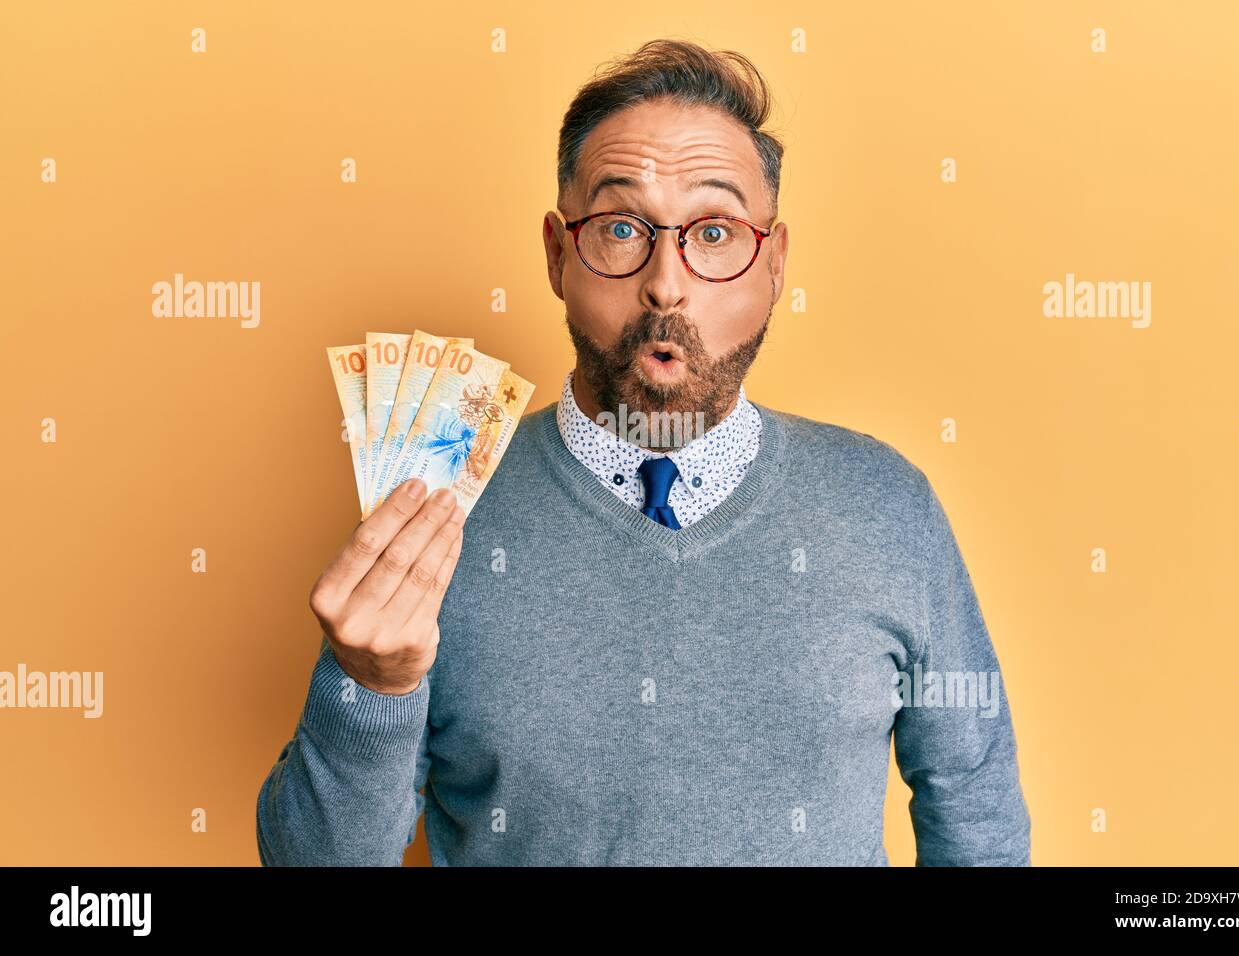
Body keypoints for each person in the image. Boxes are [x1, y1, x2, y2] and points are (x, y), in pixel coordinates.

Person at [256, 38, 1031, 866]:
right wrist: (369, 686)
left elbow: (977, 820)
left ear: (773, 265)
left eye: (716, 231)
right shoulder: (441, 509)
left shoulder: (884, 503)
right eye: (622, 227)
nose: (668, 282)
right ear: (557, 254)